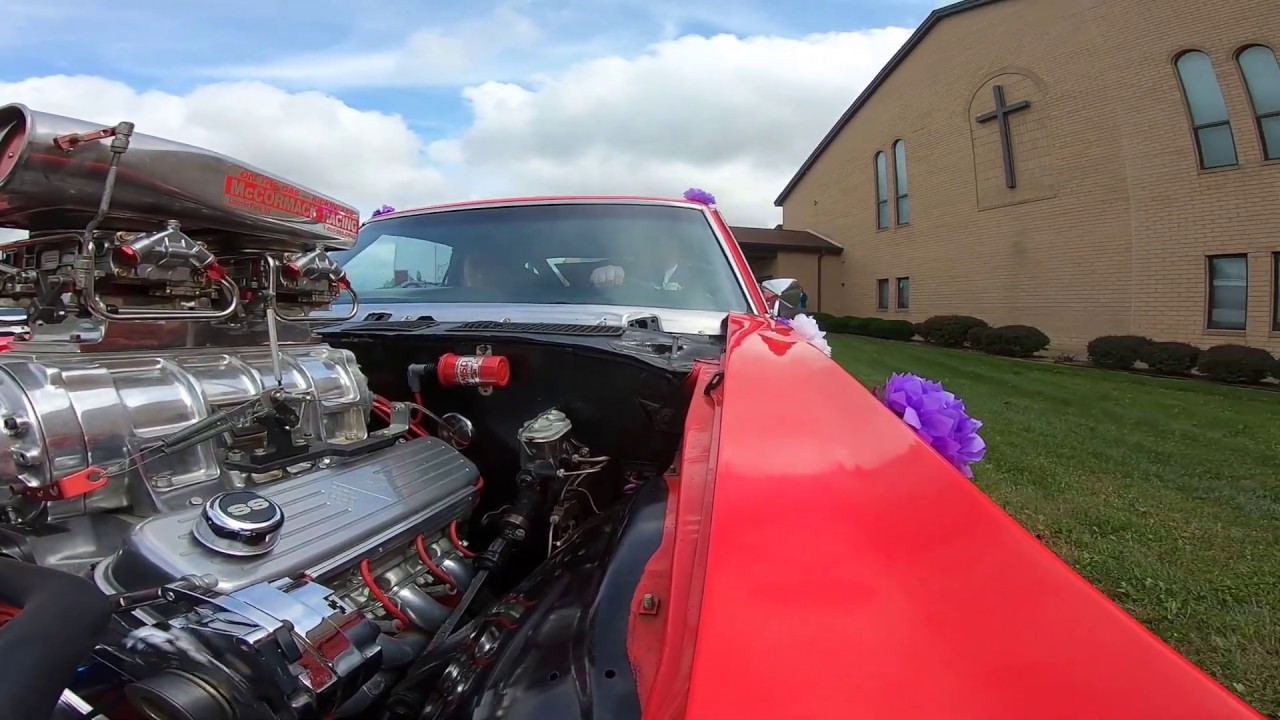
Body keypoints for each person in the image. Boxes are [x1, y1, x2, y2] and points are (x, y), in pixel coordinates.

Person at [588, 235, 690, 290]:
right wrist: (603, 274)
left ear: (677, 245)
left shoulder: (700, 278)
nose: (653, 247)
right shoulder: (623, 270)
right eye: (649, 241)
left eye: (657, 241)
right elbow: (578, 276)